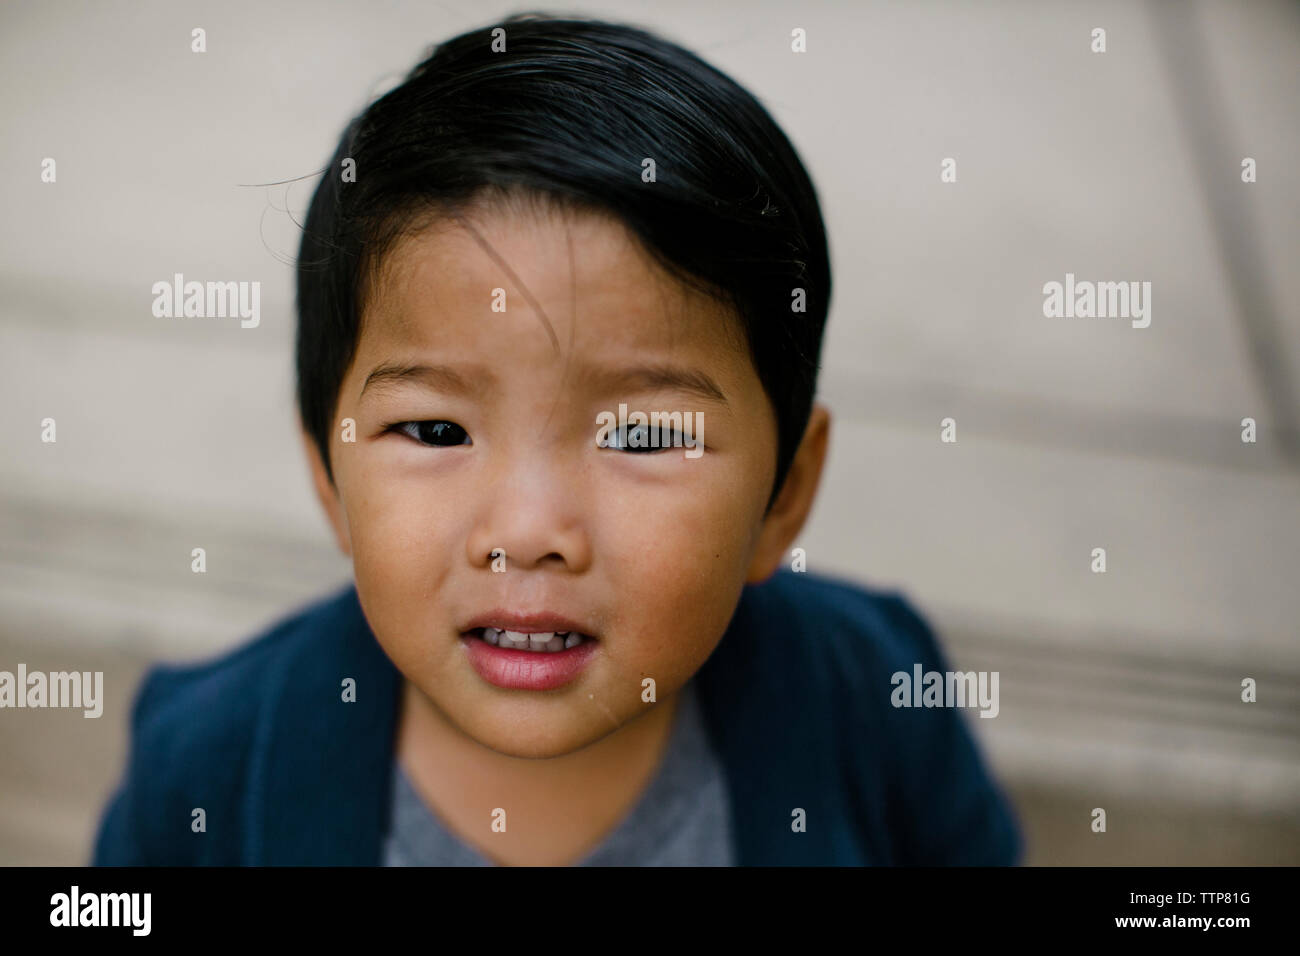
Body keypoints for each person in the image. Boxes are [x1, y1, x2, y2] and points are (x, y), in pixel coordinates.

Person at [93, 12, 1022, 866]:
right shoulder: (207, 772)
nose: (529, 528)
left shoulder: (872, 696)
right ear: (329, 481)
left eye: (648, 435)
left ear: (785, 495)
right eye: (434, 428)